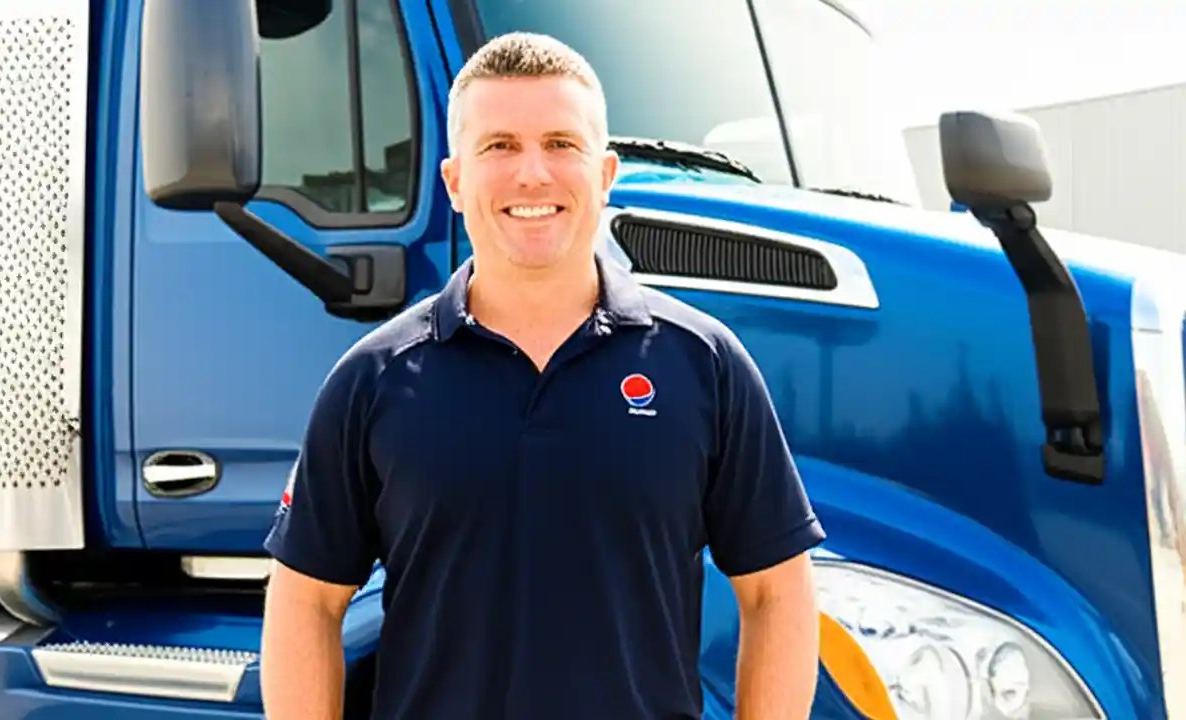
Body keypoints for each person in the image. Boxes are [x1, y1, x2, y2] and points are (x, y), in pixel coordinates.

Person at [260, 31, 825, 720]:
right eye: (500, 146)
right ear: (455, 182)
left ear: (606, 174)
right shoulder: (373, 379)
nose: (533, 175)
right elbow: (307, 600)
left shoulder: (704, 364)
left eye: (561, 143)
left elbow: (776, 591)